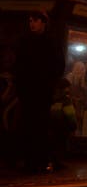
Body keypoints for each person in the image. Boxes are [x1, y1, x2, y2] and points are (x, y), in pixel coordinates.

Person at [11, 11, 64, 172]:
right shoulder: (26, 42)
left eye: (35, 21)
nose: (32, 24)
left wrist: (49, 85)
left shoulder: (51, 42)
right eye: (30, 21)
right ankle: (30, 160)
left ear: (43, 22)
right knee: (28, 126)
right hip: (29, 92)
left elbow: (57, 66)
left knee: (40, 126)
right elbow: (18, 66)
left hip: (41, 92)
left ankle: (39, 160)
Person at [49, 78, 77, 171]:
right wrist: (73, 126)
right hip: (63, 128)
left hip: (51, 127)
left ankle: (51, 162)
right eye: (67, 88)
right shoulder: (66, 100)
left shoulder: (50, 99)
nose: (68, 90)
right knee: (60, 146)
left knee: (53, 145)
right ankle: (57, 163)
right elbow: (70, 115)